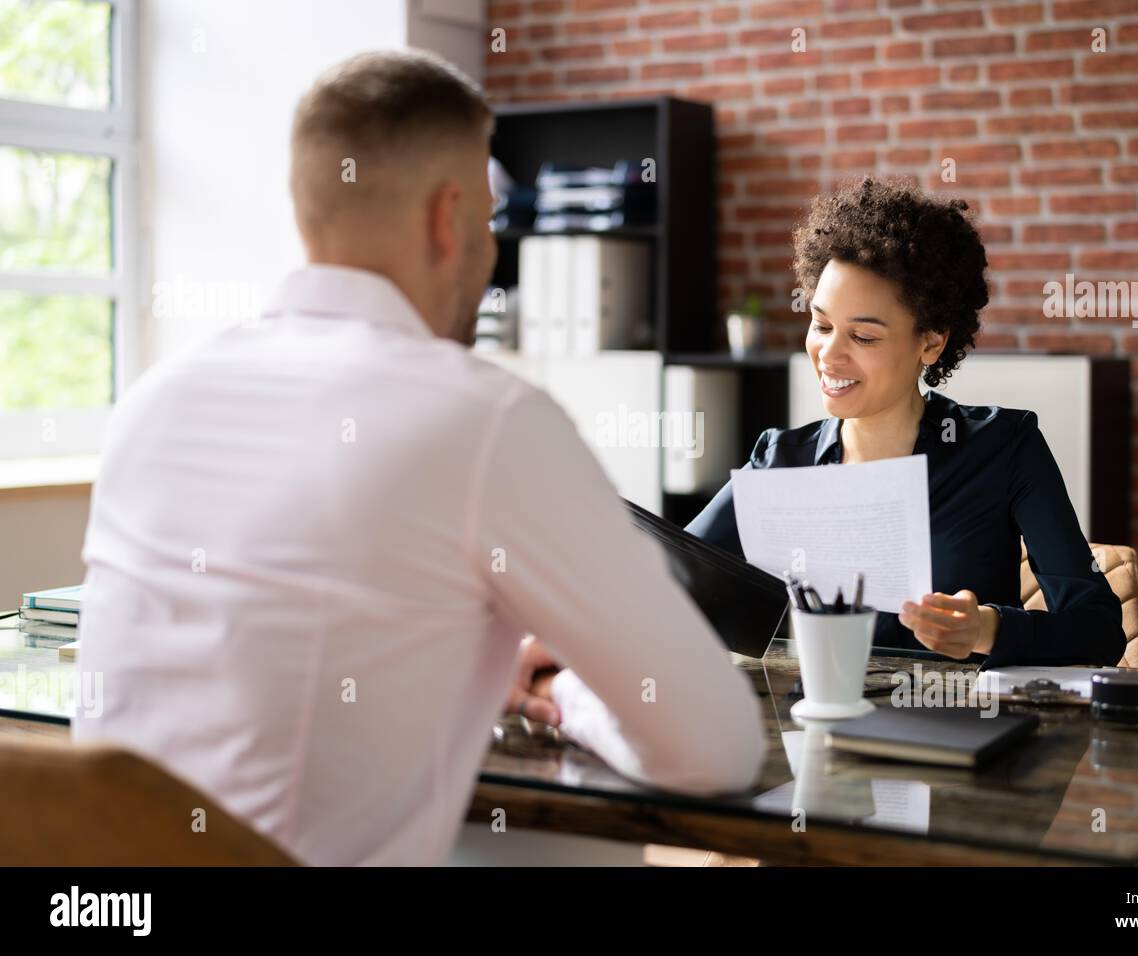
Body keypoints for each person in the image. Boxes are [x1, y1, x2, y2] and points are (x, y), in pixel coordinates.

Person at [72, 50, 765, 866]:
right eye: (489, 220)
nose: (491, 250)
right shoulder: (486, 418)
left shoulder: (152, 400)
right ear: (448, 218)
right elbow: (716, 748)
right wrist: (560, 688)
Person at [687, 177, 1126, 669]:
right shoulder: (780, 461)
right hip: (806, 713)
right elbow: (669, 576)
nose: (828, 354)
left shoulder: (1005, 448)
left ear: (931, 343)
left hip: (954, 715)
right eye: (822, 324)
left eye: (864, 337)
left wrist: (985, 629)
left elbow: (1099, 630)